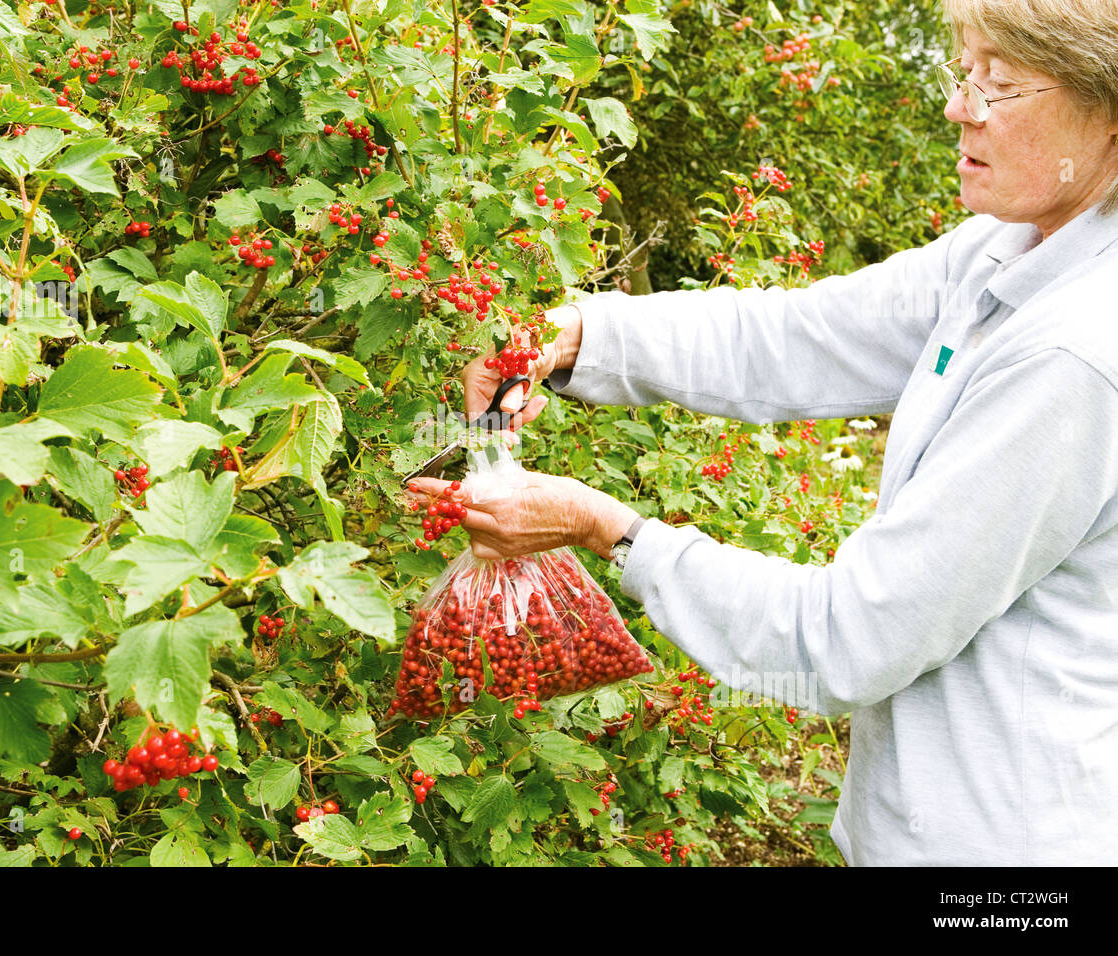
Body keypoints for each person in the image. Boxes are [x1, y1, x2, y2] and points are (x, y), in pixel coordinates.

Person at [406, 0, 1118, 866]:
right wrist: (580, 338)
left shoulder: (1076, 359)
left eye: (999, 85)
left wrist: (611, 530)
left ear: (1107, 111)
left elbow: (848, 642)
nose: (958, 107)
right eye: (963, 73)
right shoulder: (1007, 249)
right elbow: (798, 337)